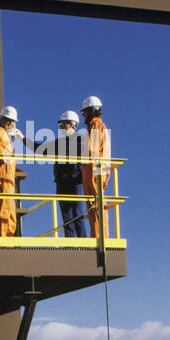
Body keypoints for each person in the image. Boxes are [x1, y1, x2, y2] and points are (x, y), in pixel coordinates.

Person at [0, 105, 24, 237]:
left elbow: (8, 158)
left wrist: (16, 169)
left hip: (8, 179)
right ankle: (2, 240)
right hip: (1, 178)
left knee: (9, 210)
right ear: (8, 122)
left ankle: (9, 238)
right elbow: (0, 153)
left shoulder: (4, 135)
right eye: (13, 123)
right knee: (3, 210)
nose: (14, 125)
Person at [80, 95, 111, 239]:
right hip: (94, 170)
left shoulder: (96, 125)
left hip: (94, 171)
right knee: (94, 205)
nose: (84, 116)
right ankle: (97, 235)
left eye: (85, 112)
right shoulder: (94, 126)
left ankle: (99, 237)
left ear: (92, 111)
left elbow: (93, 150)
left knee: (95, 204)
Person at [52, 110, 86, 237]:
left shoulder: (81, 141)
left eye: (63, 124)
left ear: (72, 124)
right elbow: (39, 149)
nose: (61, 127)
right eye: (60, 125)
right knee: (66, 217)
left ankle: (83, 245)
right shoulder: (58, 143)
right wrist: (21, 137)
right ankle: (70, 245)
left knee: (77, 214)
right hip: (62, 181)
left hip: (76, 181)